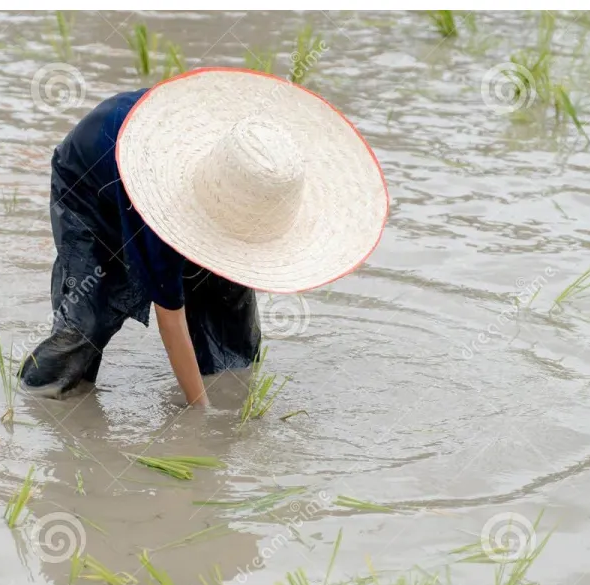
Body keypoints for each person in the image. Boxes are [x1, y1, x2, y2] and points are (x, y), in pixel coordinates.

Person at [20, 67, 389, 407]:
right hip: (90, 183)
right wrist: (200, 412)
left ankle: (227, 379)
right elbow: (171, 320)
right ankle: (34, 393)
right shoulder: (156, 215)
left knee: (228, 307)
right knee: (88, 319)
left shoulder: (249, 158)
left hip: (193, 170)